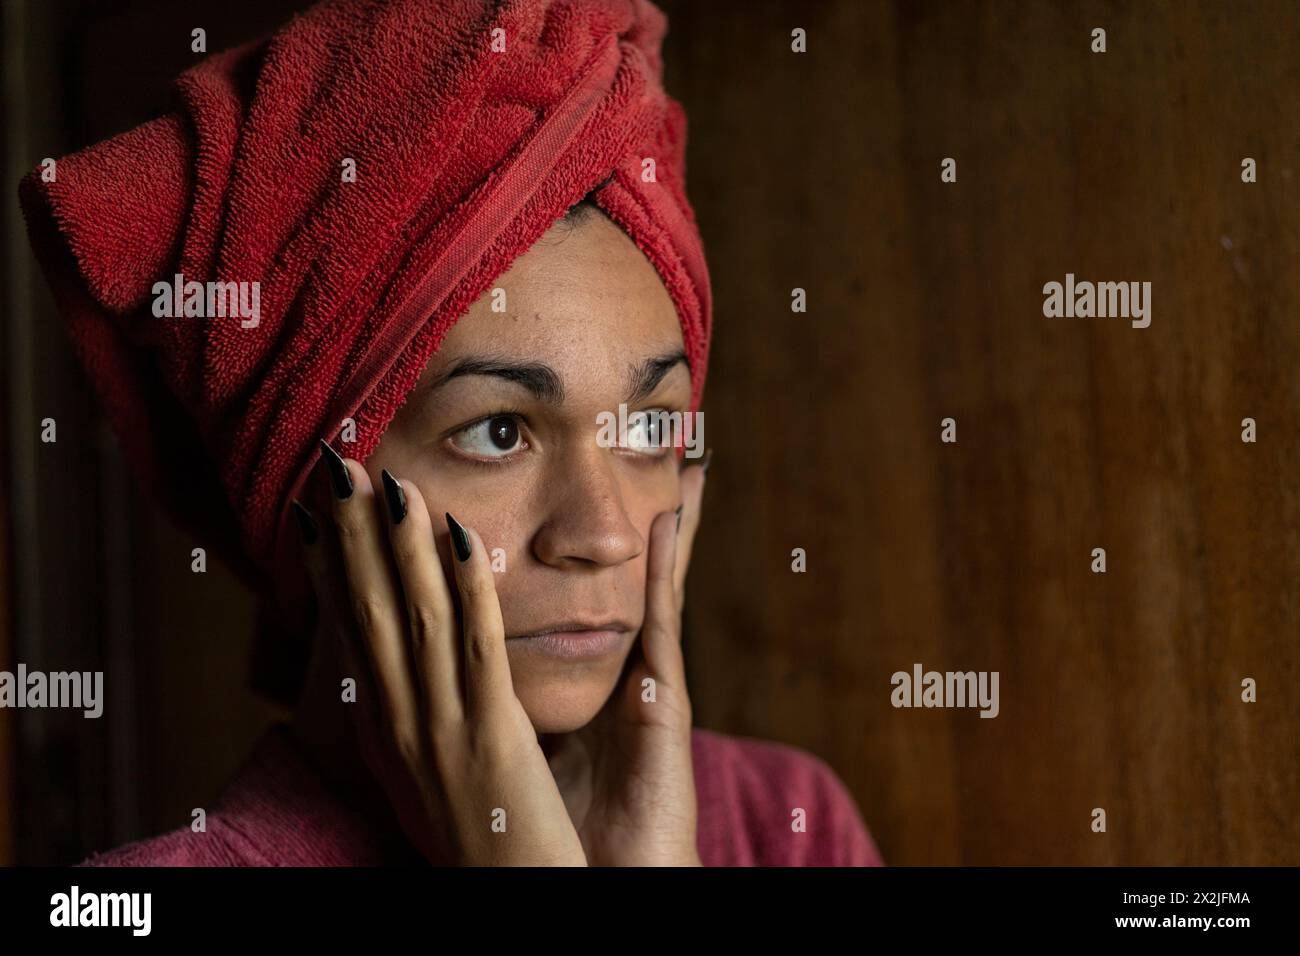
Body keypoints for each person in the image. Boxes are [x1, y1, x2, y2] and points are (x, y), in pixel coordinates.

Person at [23, 0, 883, 866]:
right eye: (500, 431)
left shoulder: (788, 826)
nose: (606, 535)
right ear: (319, 499)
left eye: (647, 426)